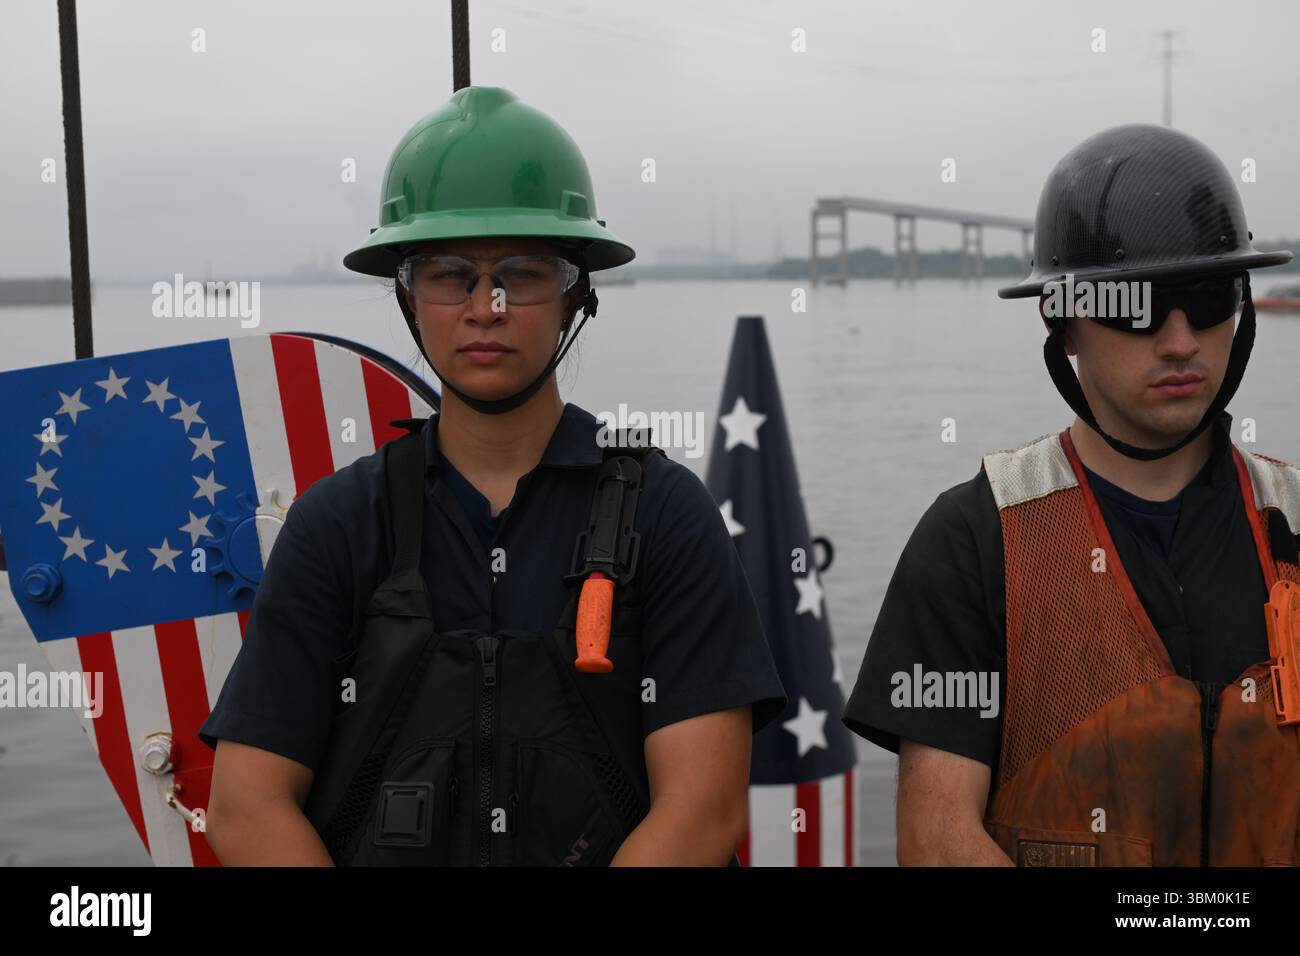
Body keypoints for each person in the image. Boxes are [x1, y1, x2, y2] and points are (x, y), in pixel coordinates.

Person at [198, 86, 786, 866]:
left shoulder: (664, 515)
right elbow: (247, 809)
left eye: (522, 272)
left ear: (577, 292)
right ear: (407, 295)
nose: (488, 306)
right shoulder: (340, 523)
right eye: (449, 275)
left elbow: (702, 814)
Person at [842, 124, 1300, 866]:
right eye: (1137, 305)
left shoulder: (1294, 526)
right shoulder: (973, 542)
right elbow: (937, 839)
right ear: (1061, 320)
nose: (1180, 340)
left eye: (1209, 296)